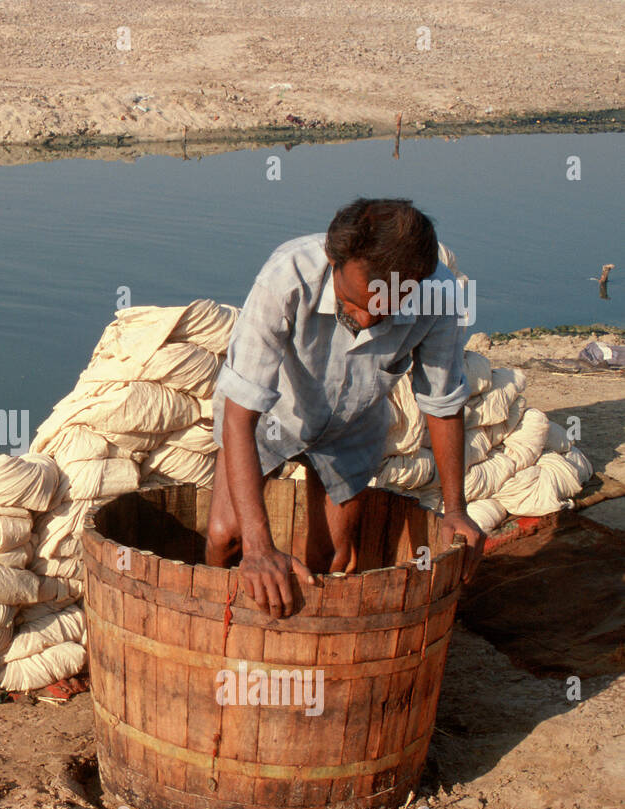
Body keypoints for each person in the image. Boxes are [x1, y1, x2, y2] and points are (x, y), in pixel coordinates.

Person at [207, 197, 485, 618]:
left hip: (353, 424)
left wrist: (456, 510)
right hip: (272, 417)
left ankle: (299, 643)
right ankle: (219, 620)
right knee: (227, 536)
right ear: (333, 261)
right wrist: (260, 548)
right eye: (353, 304)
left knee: (333, 559)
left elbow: (442, 403)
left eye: (383, 311)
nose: (367, 321)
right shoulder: (287, 277)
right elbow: (240, 415)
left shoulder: (439, 295)